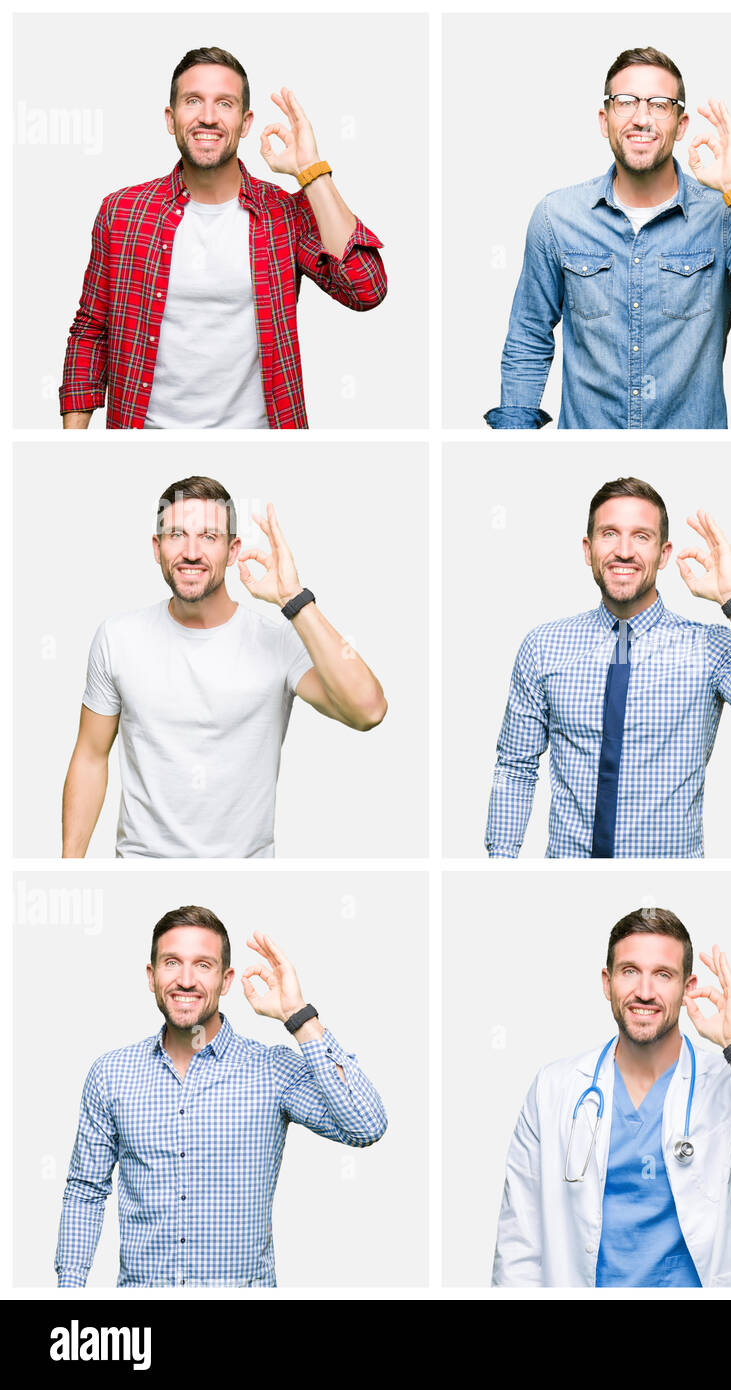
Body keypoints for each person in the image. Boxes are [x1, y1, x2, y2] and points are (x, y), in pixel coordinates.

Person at [485, 46, 731, 430]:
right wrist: (514, 443)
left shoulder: (723, 217)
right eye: (625, 102)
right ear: (604, 119)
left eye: (660, 104)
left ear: (681, 124)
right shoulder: (556, 217)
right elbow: (528, 336)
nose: (642, 118)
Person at [54, 907, 387, 1287]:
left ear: (226, 980)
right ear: (151, 976)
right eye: (171, 962)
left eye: (203, 965)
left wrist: (297, 1014)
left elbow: (366, 1125)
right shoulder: (110, 1074)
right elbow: (85, 1190)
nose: (185, 980)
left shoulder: (270, 1070)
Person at [486, 477, 731, 857]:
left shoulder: (708, 649)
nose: (624, 551)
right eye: (610, 534)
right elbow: (514, 767)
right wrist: (501, 866)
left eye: (642, 536)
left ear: (664, 553)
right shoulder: (543, 646)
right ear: (587, 549)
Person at [59, 46, 385, 430]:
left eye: (225, 104)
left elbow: (366, 290)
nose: (208, 117)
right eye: (193, 100)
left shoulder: (283, 213)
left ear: (246, 123)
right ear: (171, 117)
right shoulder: (123, 212)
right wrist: (73, 449)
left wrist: (311, 171)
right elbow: (91, 330)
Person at [62, 475, 388, 858]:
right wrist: (71, 867)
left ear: (233, 551)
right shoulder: (117, 637)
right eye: (177, 534)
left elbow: (368, 710)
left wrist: (295, 600)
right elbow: (89, 756)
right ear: (157, 547)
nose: (192, 552)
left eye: (209, 537)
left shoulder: (278, 640)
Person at [492, 907, 731, 1287]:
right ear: (606, 982)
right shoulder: (554, 1088)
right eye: (630, 971)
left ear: (687, 988)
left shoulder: (726, 1081)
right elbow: (519, 1244)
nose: (644, 991)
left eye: (663, 975)